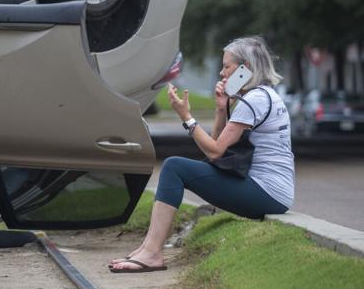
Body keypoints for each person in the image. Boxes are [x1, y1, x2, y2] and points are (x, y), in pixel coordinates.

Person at [109, 36, 295, 273]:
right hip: (272, 192)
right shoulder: (263, 95)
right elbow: (217, 147)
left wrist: (186, 117)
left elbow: (215, 152)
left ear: (244, 69)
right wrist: (220, 109)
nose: (221, 72)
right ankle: (148, 247)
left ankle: (153, 253)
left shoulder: (255, 100)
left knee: (174, 167)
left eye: (227, 66)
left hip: (266, 193)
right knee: (175, 166)